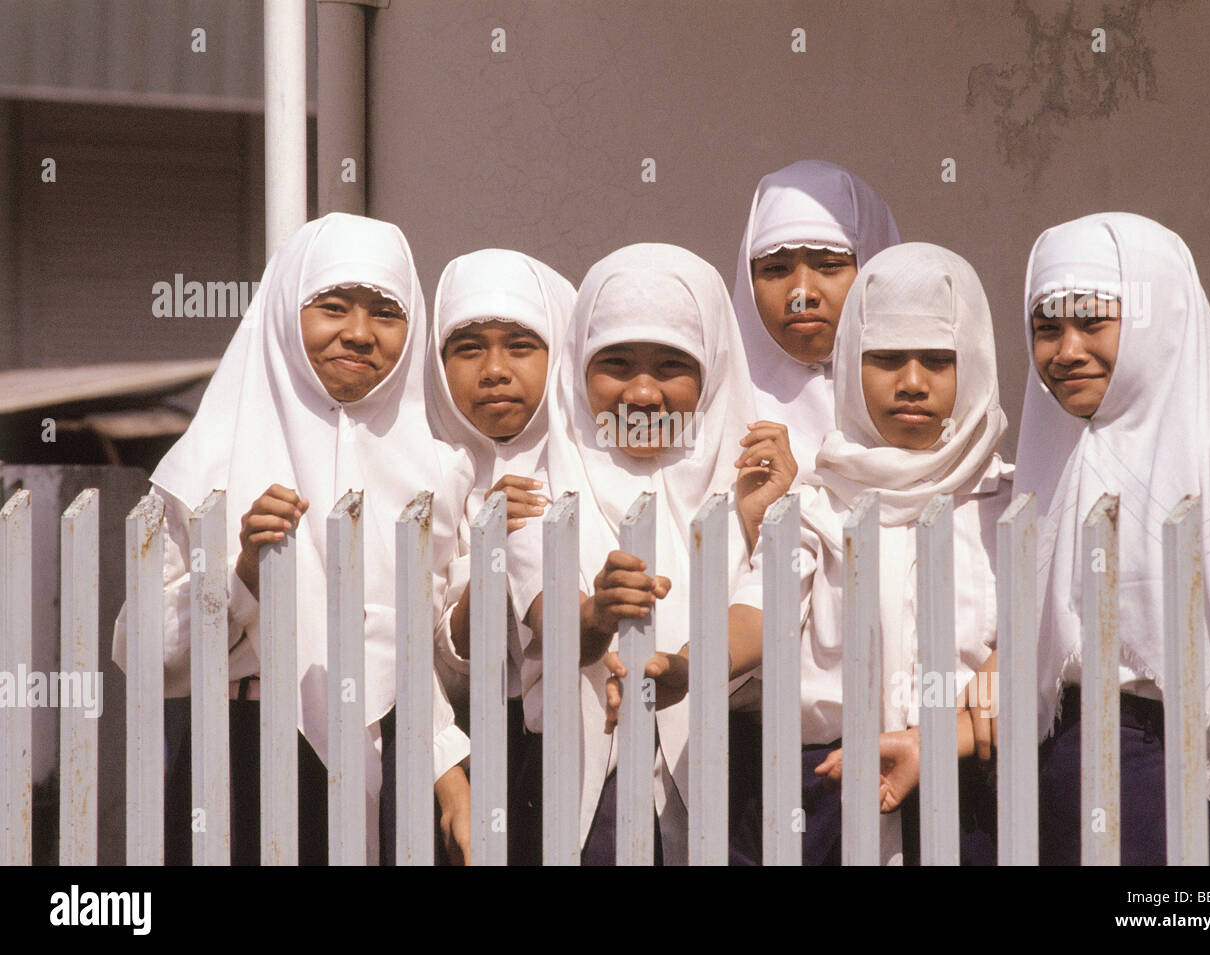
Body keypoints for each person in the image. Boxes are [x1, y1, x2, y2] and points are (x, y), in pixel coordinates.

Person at [111, 213, 474, 865]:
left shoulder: (438, 469)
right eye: (332, 305)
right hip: (242, 750)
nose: (359, 333)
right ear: (284, 309)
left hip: (391, 758)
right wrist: (244, 572)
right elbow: (141, 652)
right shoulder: (204, 469)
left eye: (386, 311)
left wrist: (449, 774)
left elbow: (418, 655)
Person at [640, 242, 1010, 864]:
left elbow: (1040, 634)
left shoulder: (1009, 505)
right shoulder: (818, 503)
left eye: (938, 361)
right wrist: (690, 666)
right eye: (886, 359)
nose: (912, 383)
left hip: (973, 790)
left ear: (972, 364)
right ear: (848, 365)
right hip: (828, 792)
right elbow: (762, 612)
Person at [1011, 211, 1210, 865]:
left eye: (1093, 321)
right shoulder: (1046, 463)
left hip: (1174, 767)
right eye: (1046, 328)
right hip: (1057, 764)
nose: (1066, 350)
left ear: (1158, 321)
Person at [514, 242, 758, 865]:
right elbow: (549, 617)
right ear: (576, 368)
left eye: (673, 363)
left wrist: (686, 670)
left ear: (713, 369)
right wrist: (596, 618)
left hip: (731, 794)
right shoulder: (533, 495)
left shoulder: (754, 494)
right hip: (581, 798)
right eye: (616, 362)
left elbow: (767, 613)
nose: (644, 394)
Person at [427, 248, 576, 865]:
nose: (493, 370)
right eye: (467, 348)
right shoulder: (422, 471)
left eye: (520, 345)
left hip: (585, 744)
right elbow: (428, 659)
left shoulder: (598, 469)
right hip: (461, 751)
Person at [732, 159, 899, 483]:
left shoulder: (927, 406)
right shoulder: (712, 414)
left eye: (830, 265)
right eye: (775, 269)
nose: (801, 293)